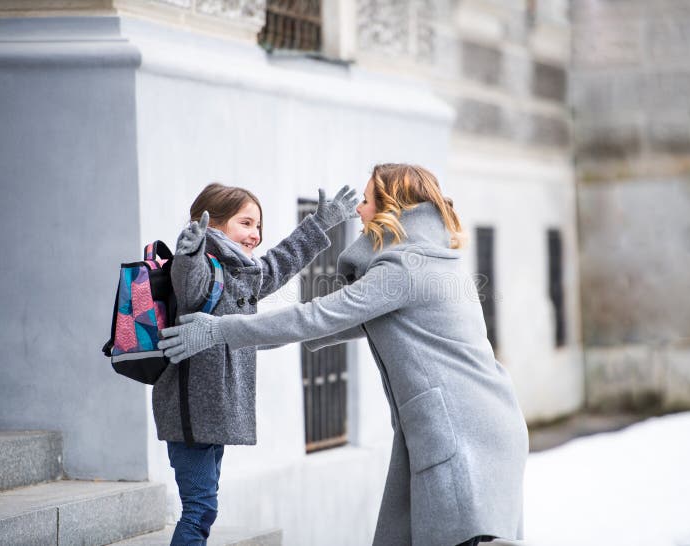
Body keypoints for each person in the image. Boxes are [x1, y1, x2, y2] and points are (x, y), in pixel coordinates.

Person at [159, 164, 529, 546]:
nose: (360, 210)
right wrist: (232, 334)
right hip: (468, 423)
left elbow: (318, 317)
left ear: (392, 207)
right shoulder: (429, 258)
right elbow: (329, 323)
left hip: (463, 430)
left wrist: (221, 330)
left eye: (367, 201)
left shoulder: (404, 268)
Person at [155, 182, 358, 545]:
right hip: (191, 416)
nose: (255, 234)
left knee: (203, 507)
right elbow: (190, 285)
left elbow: (280, 262)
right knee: (199, 510)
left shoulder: (239, 274)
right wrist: (190, 253)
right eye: (246, 223)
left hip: (211, 416)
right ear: (213, 224)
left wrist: (320, 225)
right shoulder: (206, 267)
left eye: (258, 226)